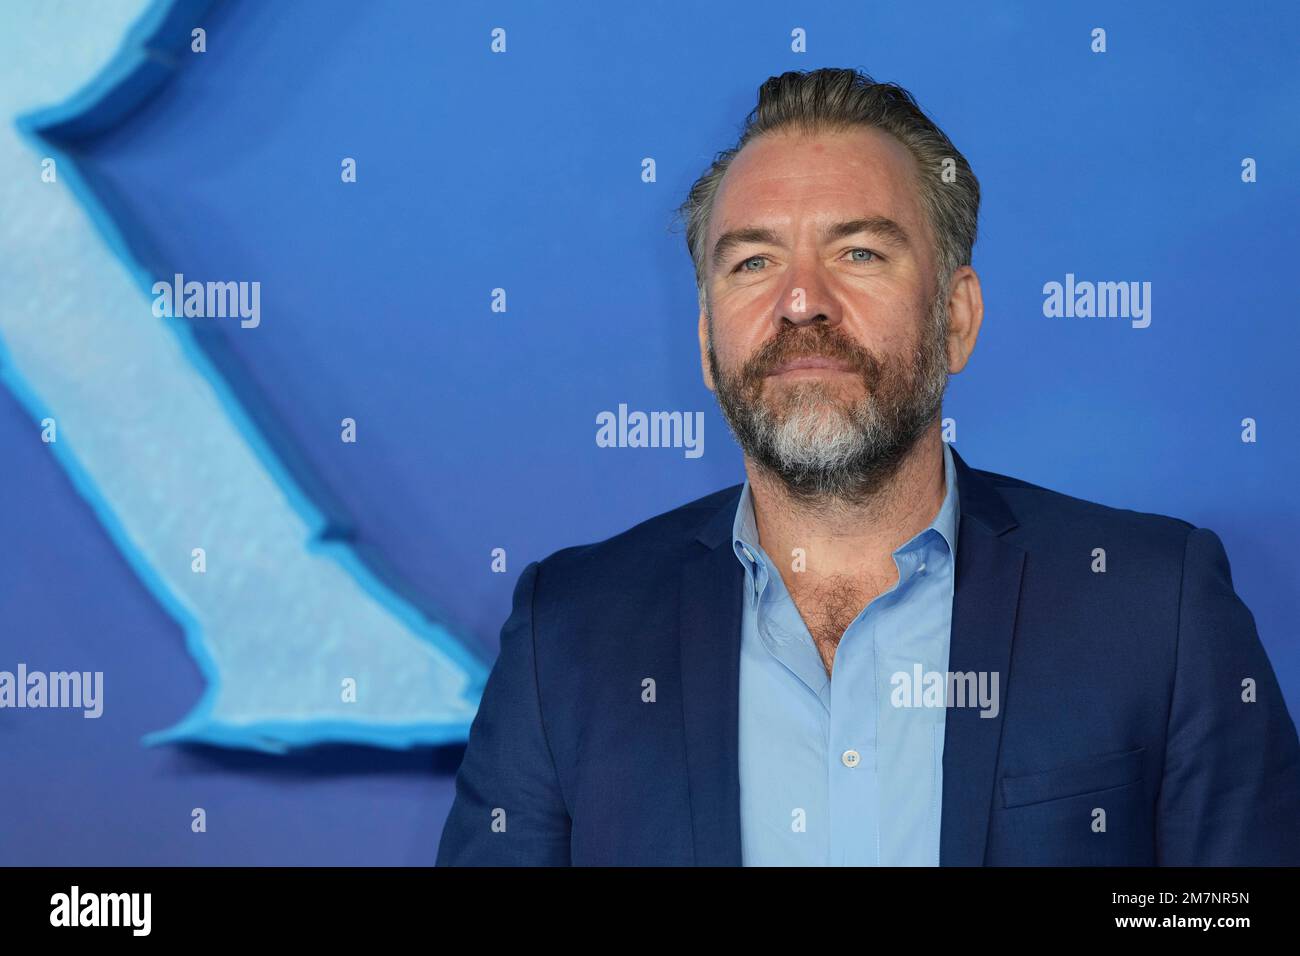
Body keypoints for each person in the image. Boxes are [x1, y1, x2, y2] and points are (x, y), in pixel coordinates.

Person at [436, 67, 1300, 866]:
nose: (802, 299)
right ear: (705, 340)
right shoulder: (569, 635)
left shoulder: (1156, 607)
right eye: (753, 261)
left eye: (860, 253)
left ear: (955, 318)